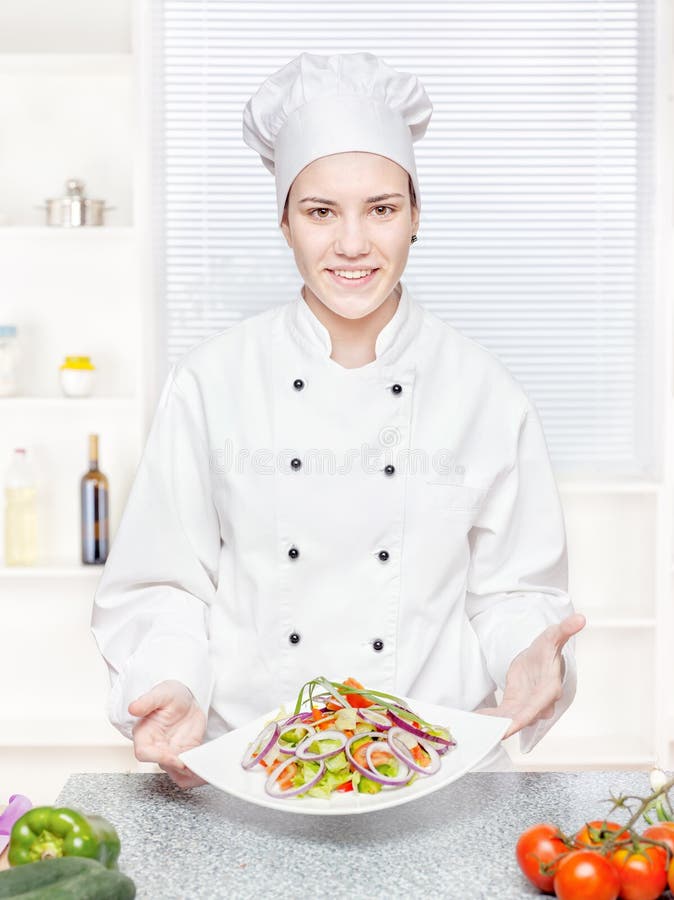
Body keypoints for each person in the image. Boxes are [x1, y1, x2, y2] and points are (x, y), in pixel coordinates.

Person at [91, 51, 586, 789]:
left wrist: (528, 655)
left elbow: (513, 591)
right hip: (246, 772)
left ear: (416, 216)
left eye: (382, 209)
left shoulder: (484, 392)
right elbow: (164, 584)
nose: (352, 244)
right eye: (321, 211)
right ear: (285, 221)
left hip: (433, 773)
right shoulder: (212, 382)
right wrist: (175, 685)